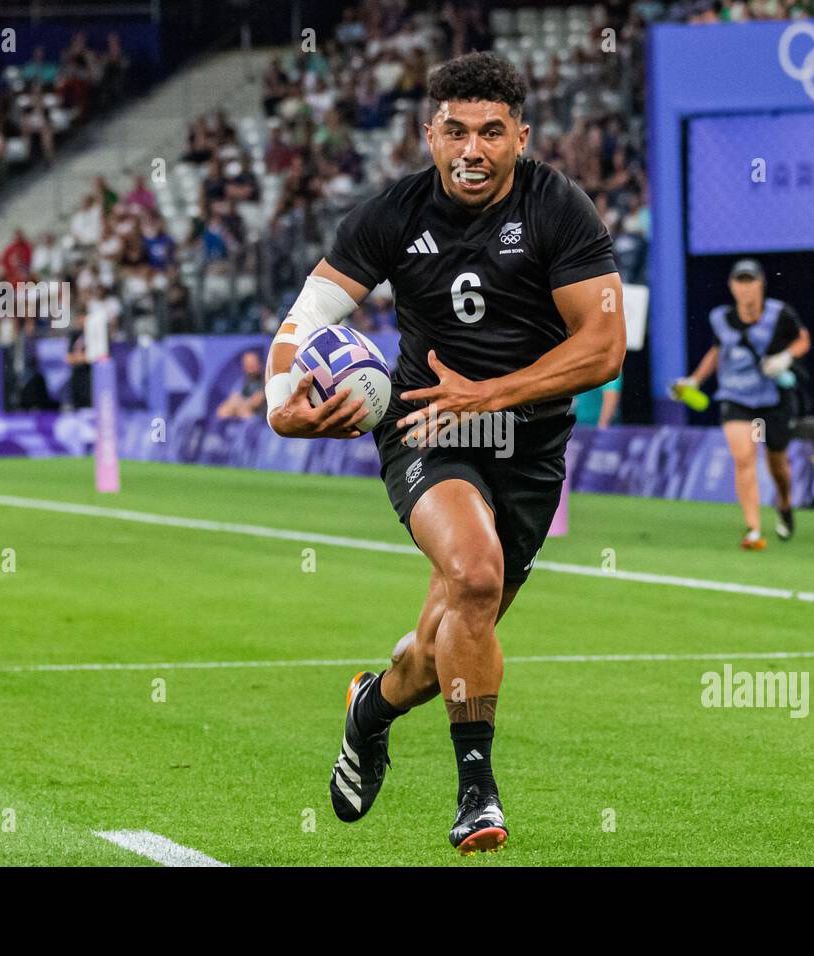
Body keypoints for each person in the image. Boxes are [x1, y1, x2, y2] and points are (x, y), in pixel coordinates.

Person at [262, 52, 623, 854]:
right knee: (474, 572)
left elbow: (604, 348)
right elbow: (308, 314)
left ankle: (372, 709)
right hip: (429, 427)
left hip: (529, 445)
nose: (472, 148)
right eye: (454, 130)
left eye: (491, 132)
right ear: (429, 132)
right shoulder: (390, 215)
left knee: (439, 650)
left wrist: (491, 394)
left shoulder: (560, 208)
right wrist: (277, 405)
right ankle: (476, 794)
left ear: (520, 137)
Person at [676, 259, 810, 549]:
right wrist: (695, 381)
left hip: (772, 400)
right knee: (744, 457)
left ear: (761, 283)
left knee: (778, 467)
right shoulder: (720, 319)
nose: (745, 287)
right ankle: (753, 529)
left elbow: (803, 340)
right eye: (740, 281)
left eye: (750, 280)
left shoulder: (780, 314)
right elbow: (716, 351)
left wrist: (786, 357)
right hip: (735, 397)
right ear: (731, 286)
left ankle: (784, 504)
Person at [215, 351, 266, 419]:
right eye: (247, 364)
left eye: (252, 364)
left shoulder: (266, 381)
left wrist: (238, 405)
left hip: (261, 420)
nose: (250, 367)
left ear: (260, 364)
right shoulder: (247, 382)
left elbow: (255, 403)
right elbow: (221, 412)